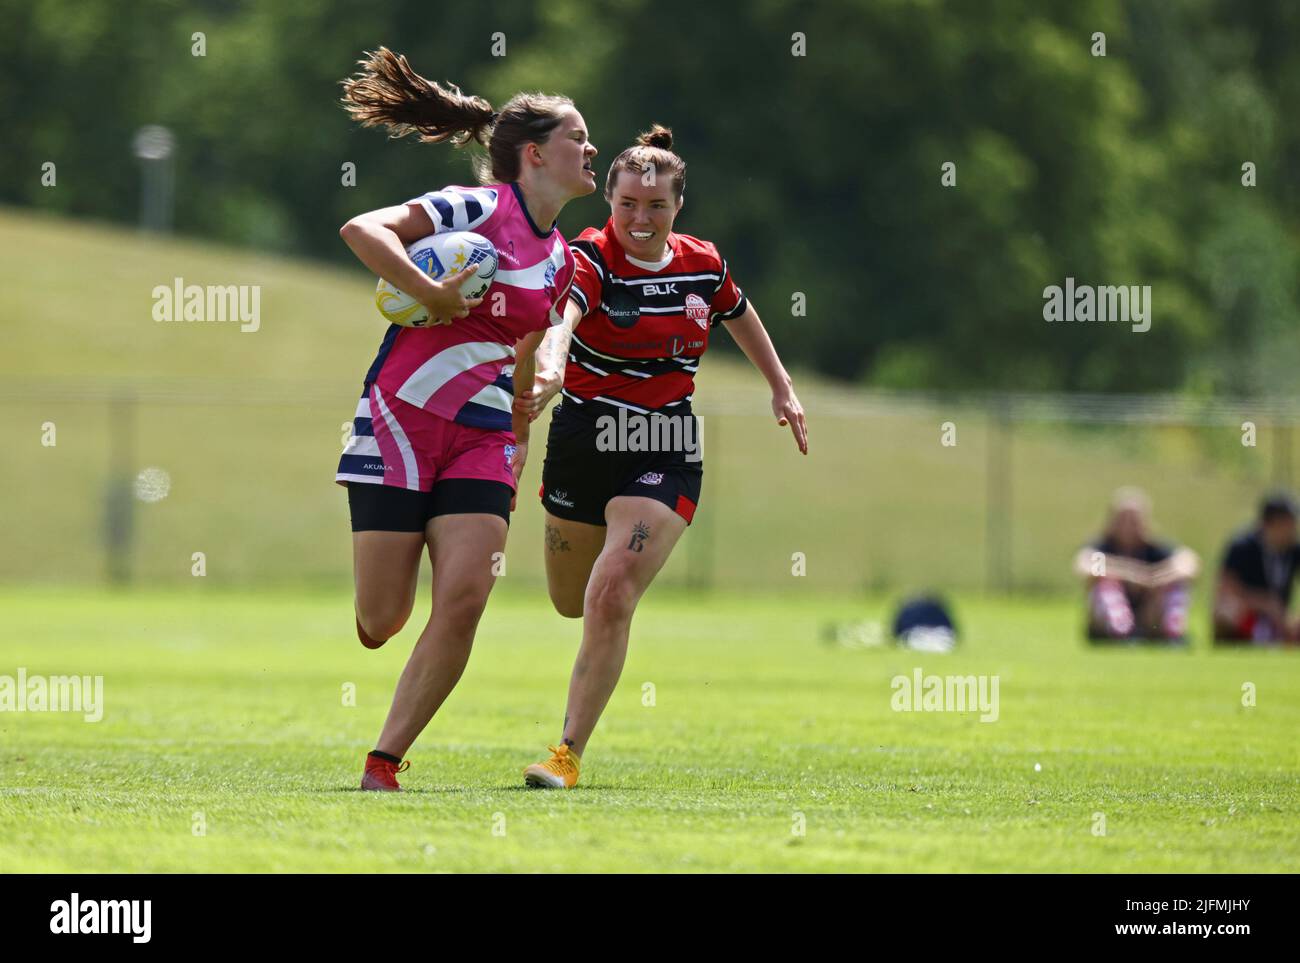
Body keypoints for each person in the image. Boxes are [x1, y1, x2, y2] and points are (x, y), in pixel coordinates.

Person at [512, 126, 808, 788]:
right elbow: (564, 316)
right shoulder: (591, 257)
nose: (640, 220)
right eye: (627, 205)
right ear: (609, 202)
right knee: (571, 601)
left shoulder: (702, 263)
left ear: (678, 207)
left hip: (662, 444)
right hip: (583, 439)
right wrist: (553, 367)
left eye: (656, 207)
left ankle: (566, 754)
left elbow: (740, 312)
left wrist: (781, 386)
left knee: (610, 592)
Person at [333, 48, 596, 790]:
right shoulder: (475, 209)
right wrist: (432, 292)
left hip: (482, 437)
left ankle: (384, 759)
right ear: (537, 154)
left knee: (466, 594)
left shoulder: (562, 261)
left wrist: (524, 406)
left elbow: (528, 339)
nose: (592, 151)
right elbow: (362, 229)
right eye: (579, 138)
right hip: (401, 419)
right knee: (384, 618)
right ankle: (375, 615)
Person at [1072, 487, 1199, 643]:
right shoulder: (1103, 547)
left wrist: (1155, 581)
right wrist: (1131, 575)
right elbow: (1086, 566)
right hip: (1106, 622)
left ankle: (1172, 633)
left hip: (1149, 612)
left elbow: (1188, 563)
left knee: (1176, 587)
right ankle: (1119, 632)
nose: (1128, 526)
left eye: (1134, 520)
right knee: (1106, 585)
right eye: (1123, 519)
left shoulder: (1154, 549)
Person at [1213, 492, 1300, 644]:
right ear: (1270, 523)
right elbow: (1225, 590)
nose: (1293, 528)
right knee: (1225, 612)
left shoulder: (1294, 550)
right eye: (1288, 522)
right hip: (1249, 615)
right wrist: (1265, 603)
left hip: (1280, 620)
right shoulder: (1242, 547)